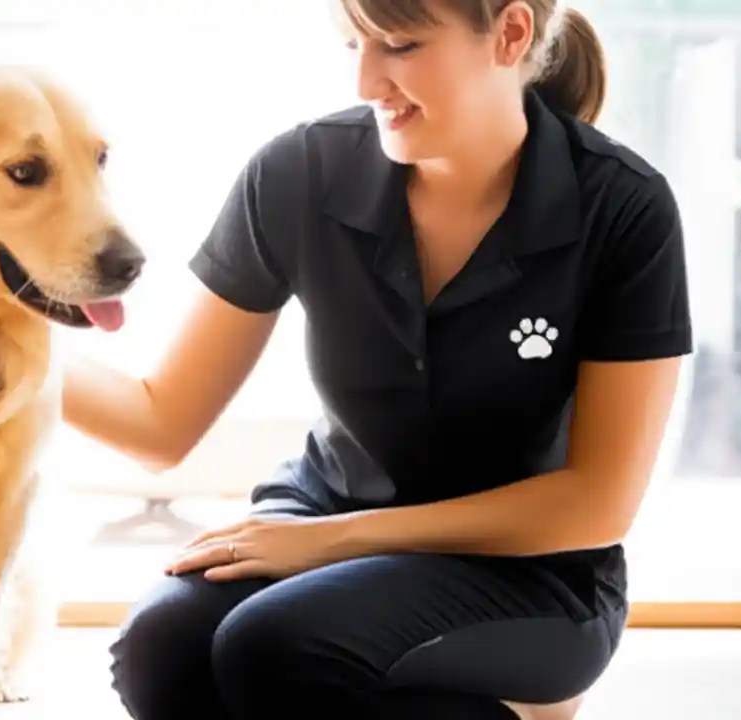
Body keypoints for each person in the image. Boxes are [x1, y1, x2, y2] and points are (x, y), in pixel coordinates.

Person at [63, 0, 692, 718]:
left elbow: (596, 505)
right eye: (354, 44)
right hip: (323, 514)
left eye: (398, 45)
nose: (366, 81)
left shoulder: (623, 207)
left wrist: (334, 543)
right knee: (162, 645)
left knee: (276, 645)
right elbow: (159, 425)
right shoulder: (299, 172)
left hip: (531, 570)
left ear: (511, 33)